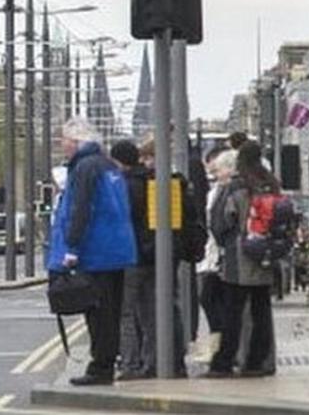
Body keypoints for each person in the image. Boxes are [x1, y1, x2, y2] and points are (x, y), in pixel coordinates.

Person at [46, 120, 137, 387]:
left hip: (96, 251)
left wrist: (71, 248)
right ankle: (104, 363)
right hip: (118, 249)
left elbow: (80, 209)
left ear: (76, 141)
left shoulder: (84, 168)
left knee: (97, 313)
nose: (61, 145)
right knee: (110, 311)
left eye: (63, 140)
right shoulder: (108, 165)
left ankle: (100, 367)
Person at [111, 139, 185, 380]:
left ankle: (131, 364)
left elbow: (123, 220)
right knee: (155, 312)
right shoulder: (156, 181)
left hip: (133, 256)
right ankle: (156, 362)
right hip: (157, 254)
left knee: (128, 313)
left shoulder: (126, 186)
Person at [206, 141, 279, 378]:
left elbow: (220, 221)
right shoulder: (271, 184)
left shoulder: (236, 187)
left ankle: (223, 362)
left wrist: (226, 242)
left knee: (232, 312)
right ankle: (257, 361)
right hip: (265, 254)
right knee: (261, 311)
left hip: (238, 256)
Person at [194, 149, 237, 363]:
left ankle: (221, 348)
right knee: (210, 298)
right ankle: (216, 345)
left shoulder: (230, 192)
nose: (214, 173)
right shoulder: (217, 191)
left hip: (221, 255)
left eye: (218, 169)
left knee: (211, 298)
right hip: (212, 254)